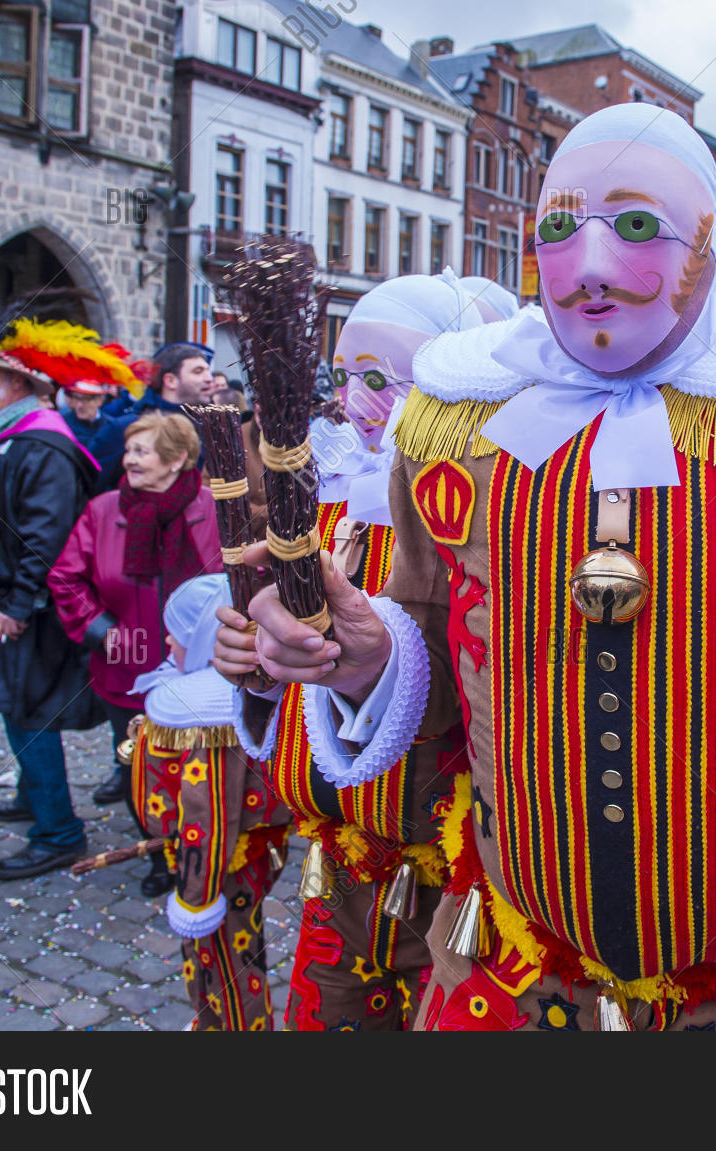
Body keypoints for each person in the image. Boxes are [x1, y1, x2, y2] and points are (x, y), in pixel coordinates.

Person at [220, 105, 716, 1031]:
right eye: (560, 228)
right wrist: (372, 661)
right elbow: (450, 677)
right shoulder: (459, 426)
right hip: (509, 961)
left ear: (711, 242)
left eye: (638, 225)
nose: (592, 265)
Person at [233, 271, 499, 1031]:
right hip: (341, 865)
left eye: (381, 380)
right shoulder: (338, 499)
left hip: (456, 878)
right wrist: (261, 667)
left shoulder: (485, 514)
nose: (354, 404)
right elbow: (307, 682)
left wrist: (384, 662)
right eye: (344, 378)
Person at [0, 321, 108, 880]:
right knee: (18, 706)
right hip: (18, 598)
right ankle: (32, 795)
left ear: (23, 386)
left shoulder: (43, 444)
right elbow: (6, 520)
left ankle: (59, 831)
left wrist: (17, 603)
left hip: (32, 608)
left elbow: (46, 535)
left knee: (27, 712)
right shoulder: (13, 436)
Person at [49, 412, 221, 895]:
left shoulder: (211, 507)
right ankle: (159, 852)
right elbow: (66, 578)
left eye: (141, 451)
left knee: (199, 765)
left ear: (177, 459)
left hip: (200, 672)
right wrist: (104, 632)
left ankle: (205, 843)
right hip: (124, 667)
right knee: (137, 764)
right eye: (129, 451)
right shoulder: (104, 510)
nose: (128, 460)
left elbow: (235, 581)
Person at [131, 574, 290, 1028]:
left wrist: (197, 897)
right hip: (225, 860)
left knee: (226, 956)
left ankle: (235, 1026)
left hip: (221, 866)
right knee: (215, 956)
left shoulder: (210, 714)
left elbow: (211, 808)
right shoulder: (203, 694)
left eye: (178, 635)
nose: (166, 640)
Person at [105, 341, 214, 427]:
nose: (209, 378)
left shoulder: (212, 428)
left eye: (208, 371)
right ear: (170, 381)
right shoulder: (127, 428)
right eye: (198, 371)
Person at [61, 378, 129, 490]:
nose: (79, 405)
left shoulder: (112, 427)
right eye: (76, 398)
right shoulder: (63, 424)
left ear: (100, 400)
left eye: (86, 400)